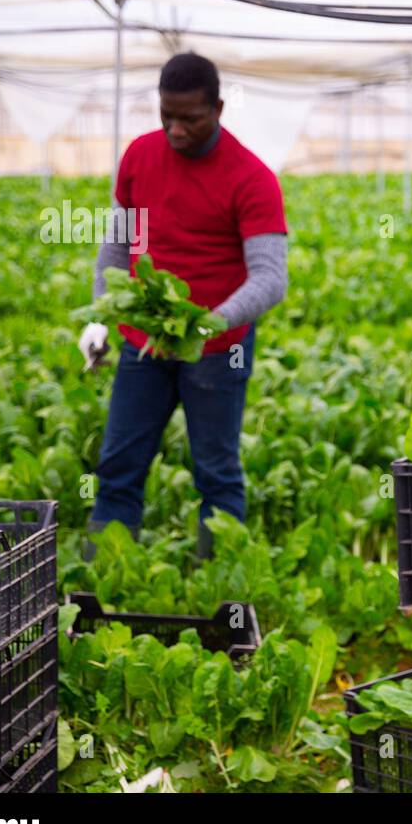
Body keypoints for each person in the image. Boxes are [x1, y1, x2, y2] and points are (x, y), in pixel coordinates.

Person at [77, 52, 288, 562]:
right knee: (120, 462)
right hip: (141, 341)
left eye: (189, 118)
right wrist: (100, 314)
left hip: (218, 351)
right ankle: (101, 578)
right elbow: (118, 245)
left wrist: (208, 324)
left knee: (215, 470)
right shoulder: (138, 156)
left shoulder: (251, 177)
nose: (175, 129)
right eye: (166, 115)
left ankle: (221, 582)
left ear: (217, 108)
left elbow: (270, 278)